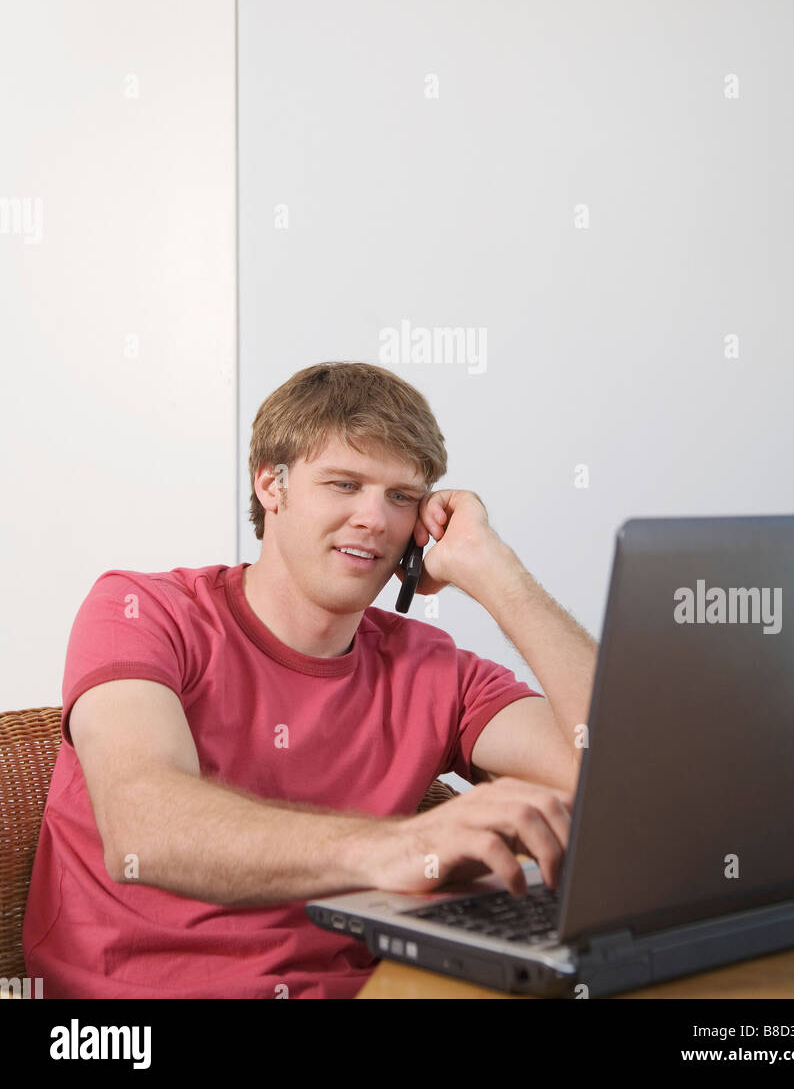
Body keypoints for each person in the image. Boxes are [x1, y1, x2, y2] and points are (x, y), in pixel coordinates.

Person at [23, 361, 596, 998]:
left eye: (401, 497)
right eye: (345, 484)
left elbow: (621, 774)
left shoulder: (431, 666)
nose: (375, 520)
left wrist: (496, 573)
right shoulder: (139, 611)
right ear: (273, 484)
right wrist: (397, 847)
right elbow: (145, 827)